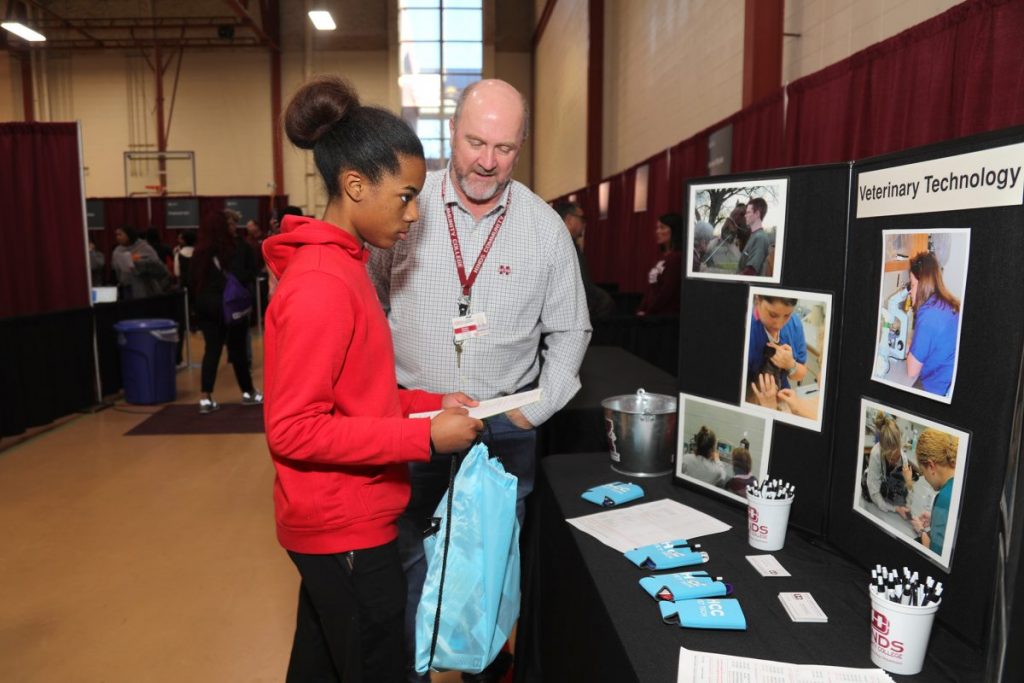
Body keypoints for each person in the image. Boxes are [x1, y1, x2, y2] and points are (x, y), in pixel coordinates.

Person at [367, 78, 591, 683]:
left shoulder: (544, 228)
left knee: (487, 573)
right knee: (405, 565)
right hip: (412, 425)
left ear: (521, 147)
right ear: (450, 133)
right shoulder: (403, 211)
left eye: (504, 148)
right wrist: (380, 402)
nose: (487, 161)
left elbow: (572, 329)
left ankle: (484, 673)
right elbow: (367, 308)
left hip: (504, 432)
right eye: (475, 143)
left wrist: (534, 410)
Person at [262, 75, 483, 683]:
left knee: (323, 665)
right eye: (405, 197)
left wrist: (432, 403)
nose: (414, 214)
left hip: (346, 519)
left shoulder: (346, 268)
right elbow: (294, 429)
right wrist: (424, 437)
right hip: (344, 526)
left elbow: (359, 396)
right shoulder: (321, 284)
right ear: (355, 185)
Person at [189, 209, 260, 414]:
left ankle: (205, 398)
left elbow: (191, 281)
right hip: (231, 304)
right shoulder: (235, 248)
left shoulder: (199, 251)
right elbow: (246, 273)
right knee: (238, 349)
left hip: (206, 305)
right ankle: (248, 392)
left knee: (212, 350)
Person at [906, 251, 960, 396]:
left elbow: (911, 371)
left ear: (923, 284)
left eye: (912, 285)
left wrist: (909, 349)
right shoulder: (946, 304)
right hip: (948, 380)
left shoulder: (929, 315)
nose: (910, 292)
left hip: (938, 389)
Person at [553, 199, 614, 321]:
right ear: (569, 220)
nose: (584, 224)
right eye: (582, 219)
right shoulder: (567, 247)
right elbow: (582, 285)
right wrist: (604, 300)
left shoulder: (553, 243)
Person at [745, 295, 807, 400]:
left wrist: (790, 365)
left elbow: (801, 373)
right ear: (758, 300)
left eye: (787, 315)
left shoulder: (795, 324)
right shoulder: (748, 330)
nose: (779, 325)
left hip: (782, 397)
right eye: (773, 315)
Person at [911, 429, 958, 555]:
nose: (925, 478)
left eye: (923, 472)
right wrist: (935, 519)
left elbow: (934, 555)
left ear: (931, 466)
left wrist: (921, 530)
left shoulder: (944, 498)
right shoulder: (958, 482)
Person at [863, 412, 913, 517]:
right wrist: (895, 509)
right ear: (883, 451)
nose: (894, 462)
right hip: (872, 487)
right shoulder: (876, 454)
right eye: (891, 459)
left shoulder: (903, 458)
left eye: (896, 457)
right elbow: (874, 494)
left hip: (887, 488)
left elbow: (908, 490)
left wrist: (908, 508)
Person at [637, 212, 684, 316]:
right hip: (651, 315)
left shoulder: (677, 258)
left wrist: (648, 312)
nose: (657, 231)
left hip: (664, 317)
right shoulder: (662, 258)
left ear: (674, 230)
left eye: (662, 228)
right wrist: (642, 309)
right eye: (657, 228)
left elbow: (667, 291)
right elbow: (651, 288)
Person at [111, 226, 169, 299]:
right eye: (116, 235)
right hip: (127, 287)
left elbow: (158, 265)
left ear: (129, 235)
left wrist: (137, 263)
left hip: (146, 287)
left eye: (120, 234)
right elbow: (116, 270)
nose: (117, 237)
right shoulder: (117, 251)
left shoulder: (144, 247)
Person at [737, 197, 770, 276]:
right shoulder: (754, 236)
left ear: (757, 214)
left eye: (748, 212)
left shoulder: (760, 238)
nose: (745, 216)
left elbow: (751, 272)